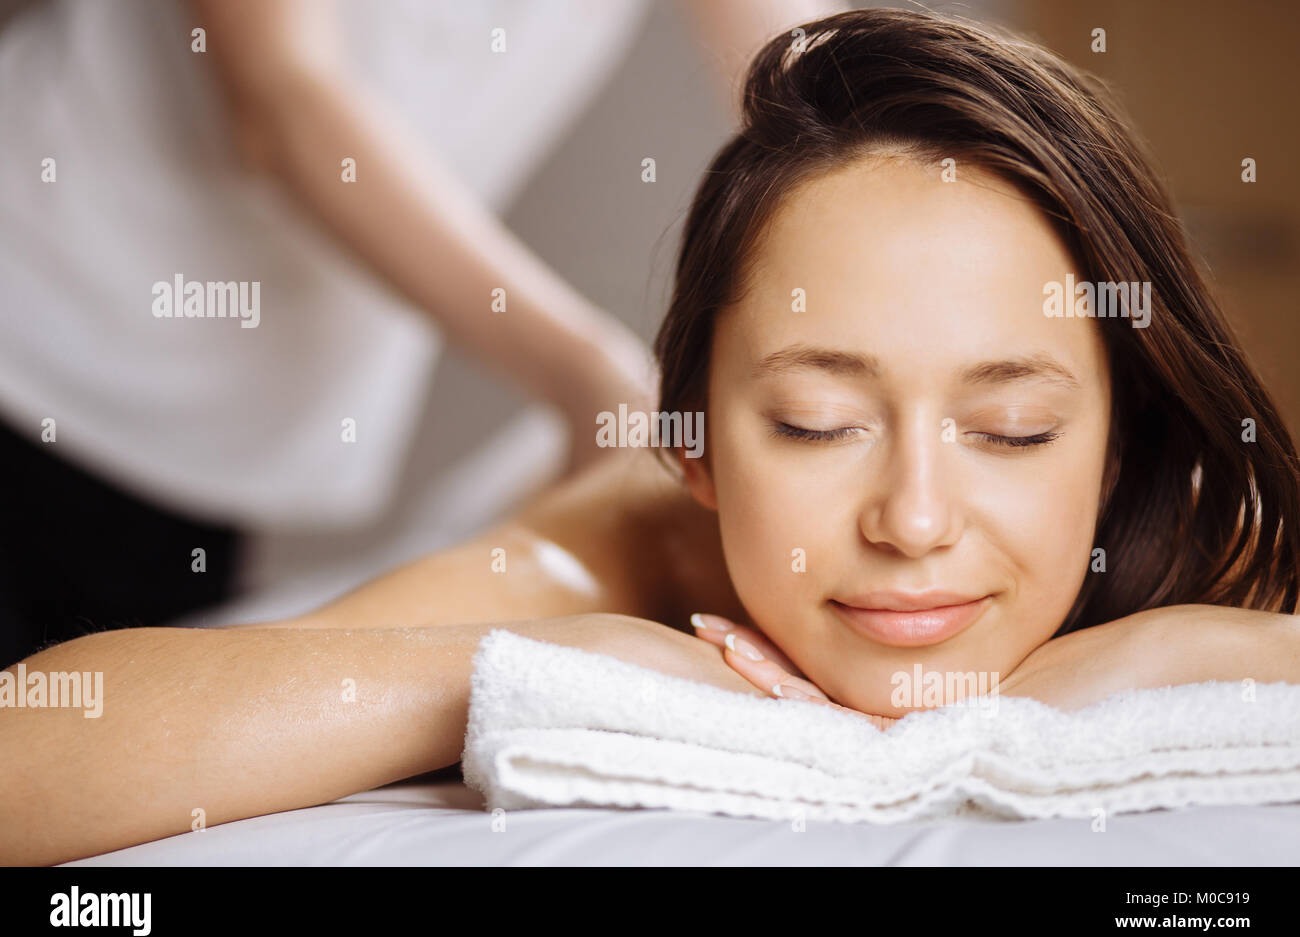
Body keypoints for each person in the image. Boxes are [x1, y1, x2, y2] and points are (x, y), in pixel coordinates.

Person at [4, 7, 1298, 867]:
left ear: (1118, 445)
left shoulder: (1178, 525)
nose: (913, 520)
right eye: (818, 422)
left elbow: (811, 60)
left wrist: (1163, 650)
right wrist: (542, 668)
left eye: (1011, 430)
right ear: (693, 445)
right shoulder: (625, 542)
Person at [0, 0, 846, 668]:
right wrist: (585, 373)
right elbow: (284, 95)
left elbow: (807, 94)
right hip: (36, 317)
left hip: (217, 444)